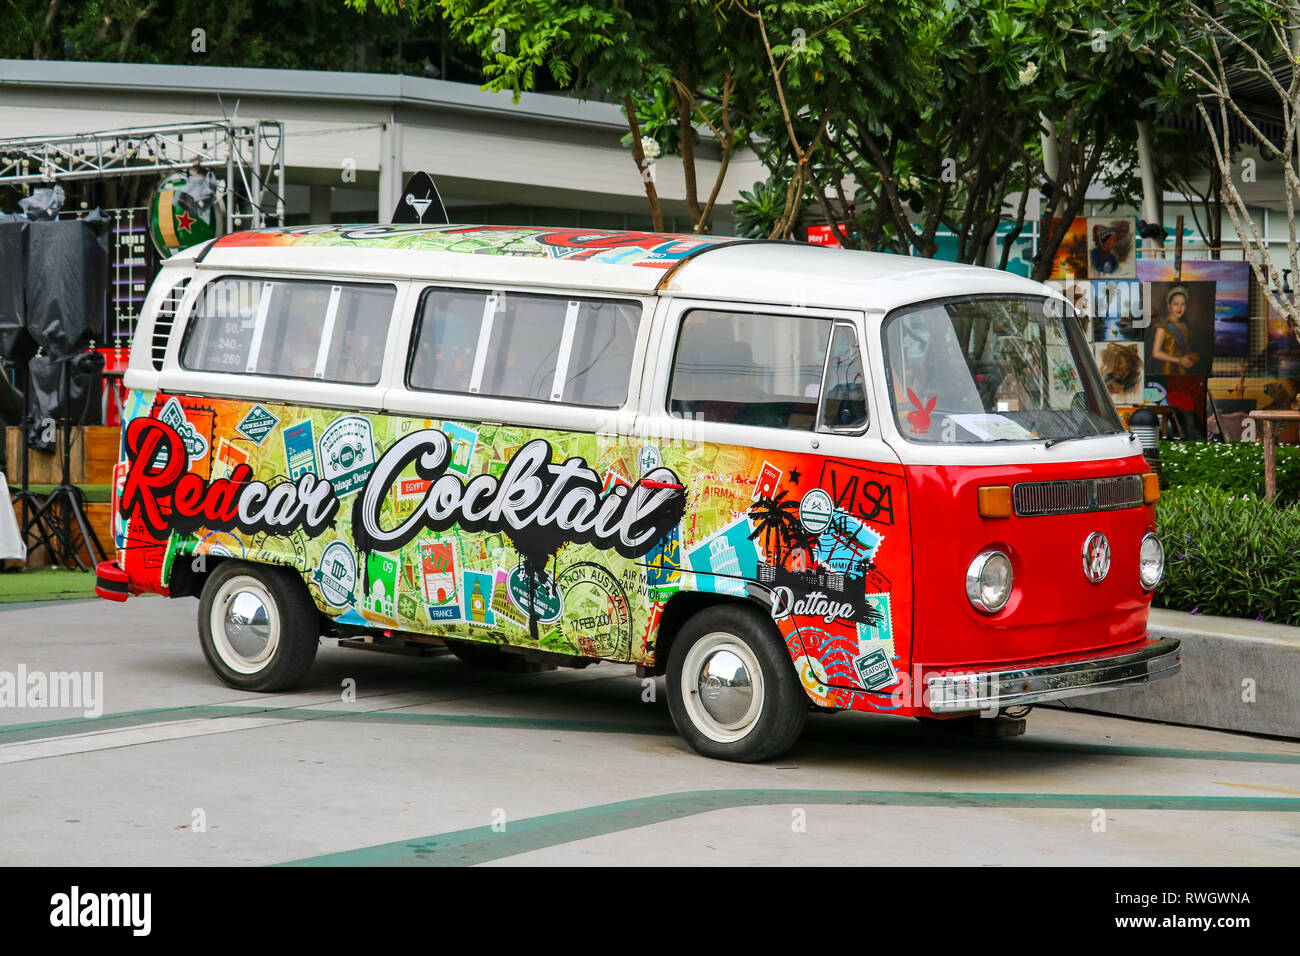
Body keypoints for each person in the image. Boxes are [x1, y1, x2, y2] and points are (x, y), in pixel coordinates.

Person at [1150, 285, 1199, 375]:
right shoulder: (1162, 327)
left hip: (1182, 369)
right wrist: (1178, 360)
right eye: (1176, 304)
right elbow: (1155, 353)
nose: (1179, 308)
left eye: (1182, 304)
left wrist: (1192, 356)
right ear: (1169, 306)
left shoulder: (1184, 326)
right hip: (1167, 370)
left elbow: (1184, 349)